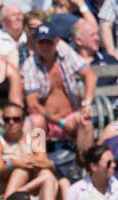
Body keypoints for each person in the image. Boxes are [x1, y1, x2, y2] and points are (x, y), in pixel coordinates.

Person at [21, 23, 95, 153]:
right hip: (47, 120)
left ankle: (85, 165)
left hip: (71, 115)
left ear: (56, 41)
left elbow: (90, 75)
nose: (45, 47)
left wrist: (86, 105)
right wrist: (61, 122)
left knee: (85, 120)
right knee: (36, 120)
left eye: (48, 42)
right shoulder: (29, 66)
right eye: (41, 43)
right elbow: (33, 105)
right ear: (36, 43)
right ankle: (39, 162)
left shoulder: (67, 55)